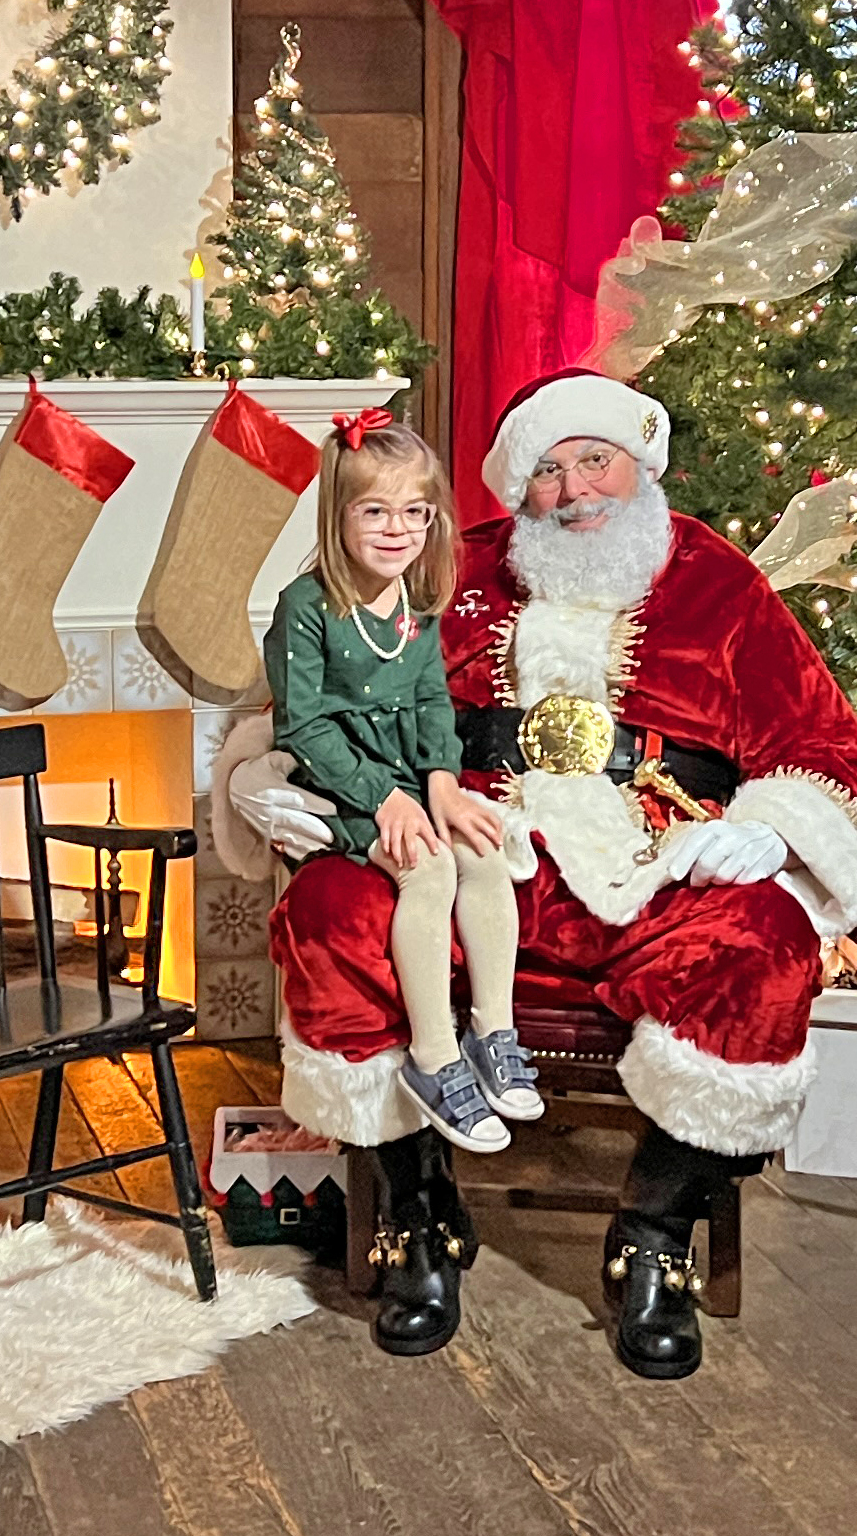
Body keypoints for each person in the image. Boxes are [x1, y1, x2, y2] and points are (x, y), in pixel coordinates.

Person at [237, 370, 857, 1376]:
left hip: (651, 854)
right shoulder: (454, 564)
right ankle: (420, 1211)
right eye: (545, 469)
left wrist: (773, 828)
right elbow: (310, 686)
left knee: (764, 941)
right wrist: (261, 771)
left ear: (639, 459)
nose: (575, 487)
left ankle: (655, 1232)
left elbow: (821, 740)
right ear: (513, 487)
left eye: (594, 458)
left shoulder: (714, 578)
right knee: (331, 910)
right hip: (469, 843)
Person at [263, 409, 540, 1168]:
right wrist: (384, 802)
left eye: (415, 513)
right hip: (341, 788)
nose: (397, 530)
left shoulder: (415, 608)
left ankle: (493, 1031)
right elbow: (304, 727)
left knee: (481, 853)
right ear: (338, 515)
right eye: (375, 511)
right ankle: (433, 1054)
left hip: (410, 781)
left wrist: (444, 787)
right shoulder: (307, 609)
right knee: (430, 868)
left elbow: (429, 706)